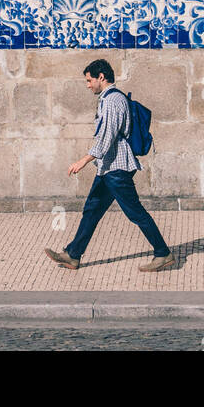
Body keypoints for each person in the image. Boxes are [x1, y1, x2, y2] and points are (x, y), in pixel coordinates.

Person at [44, 59, 172, 272]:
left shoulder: (112, 101)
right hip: (107, 167)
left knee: (135, 212)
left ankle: (163, 253)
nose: (88, 85)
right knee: (92, 209)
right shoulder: (108, 99)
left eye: (89, 80)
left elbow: (107, 137)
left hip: (117, 168)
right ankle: (73, 255)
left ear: (101, 77)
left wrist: (83, 161)